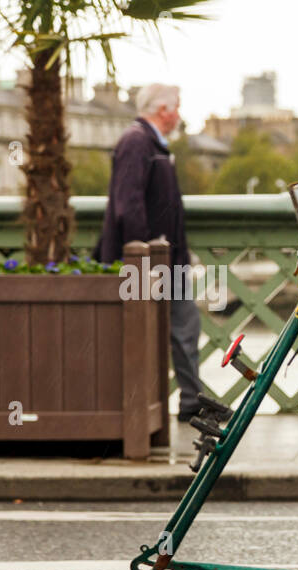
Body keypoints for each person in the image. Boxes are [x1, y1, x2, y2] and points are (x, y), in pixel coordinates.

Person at [94, 83, 203, 423]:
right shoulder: (139, 143)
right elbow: (129, 207)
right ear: (163, 110)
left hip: (161, 260)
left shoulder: (145, 143)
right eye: (177, 107)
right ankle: (186, 401)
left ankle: (188, 400)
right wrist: (144, 261)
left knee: (180, 328)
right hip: (151, 262)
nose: (179, 115)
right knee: (177, 329)